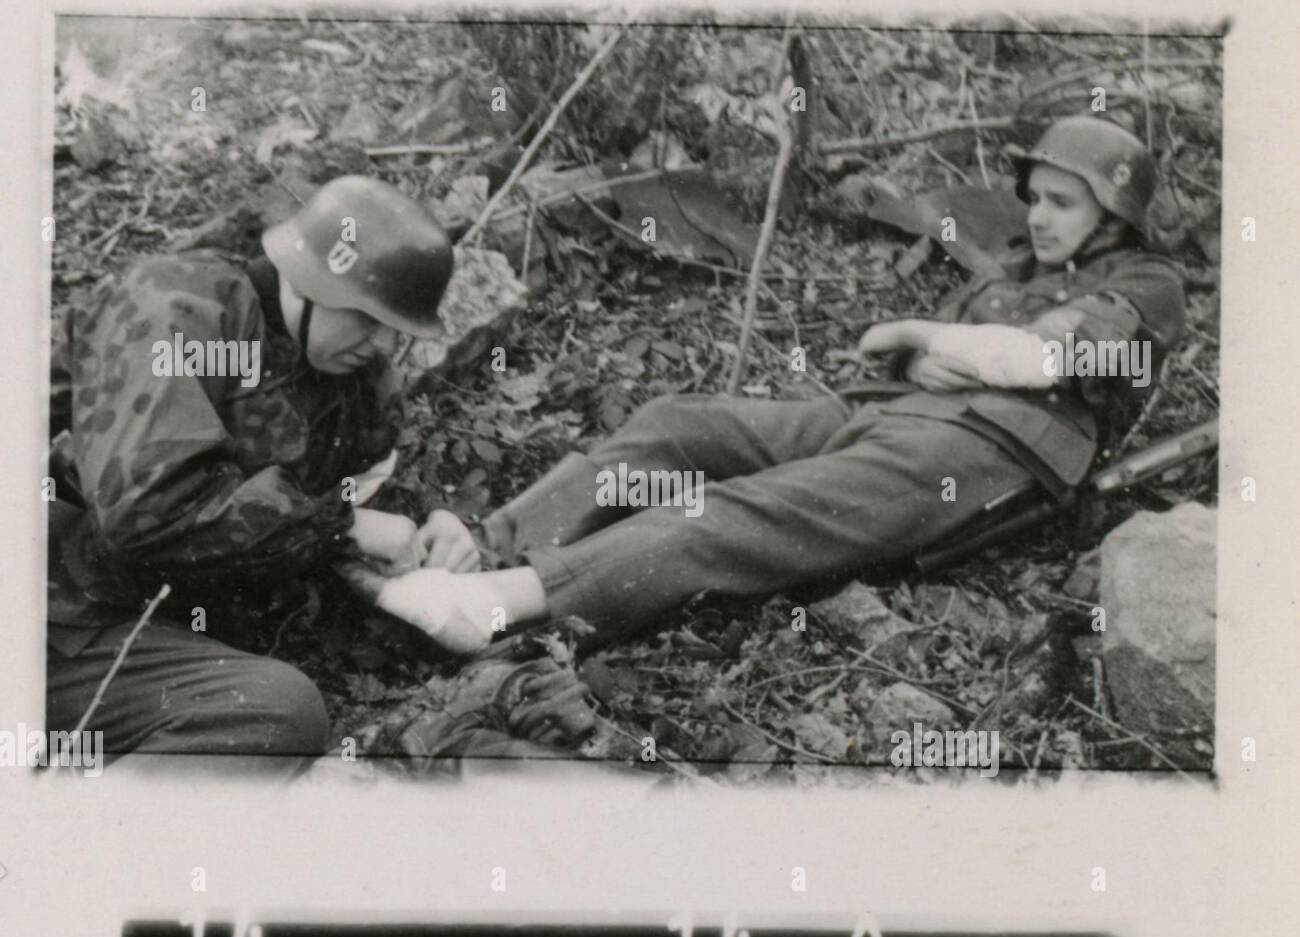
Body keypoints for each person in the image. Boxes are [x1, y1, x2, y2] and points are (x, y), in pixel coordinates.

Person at [345, 115, 1187, 657]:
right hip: (888, 414)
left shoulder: (1149, 284)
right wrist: (930, 353)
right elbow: (919, 355)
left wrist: (931, 338)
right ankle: (480, 544)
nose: (1038, 217)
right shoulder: (1017, 268)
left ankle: (497, 602)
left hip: (988, 452)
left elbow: (1040, 361)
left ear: (1114, 217)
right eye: (1035, 198)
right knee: (676, 428)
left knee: (736, 514)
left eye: (1063, 204)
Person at [46, 175, 479, 773]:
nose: (380, 344)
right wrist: (341, 527)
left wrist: (432, 523)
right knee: (275, 715)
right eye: (367, 318)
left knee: (274, 713)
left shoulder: (351, 372)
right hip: (48, 610)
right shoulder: (173, 307)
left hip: (133, 620)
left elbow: (362, 481)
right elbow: (143, 514)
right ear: (310, 281)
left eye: (395, 329)